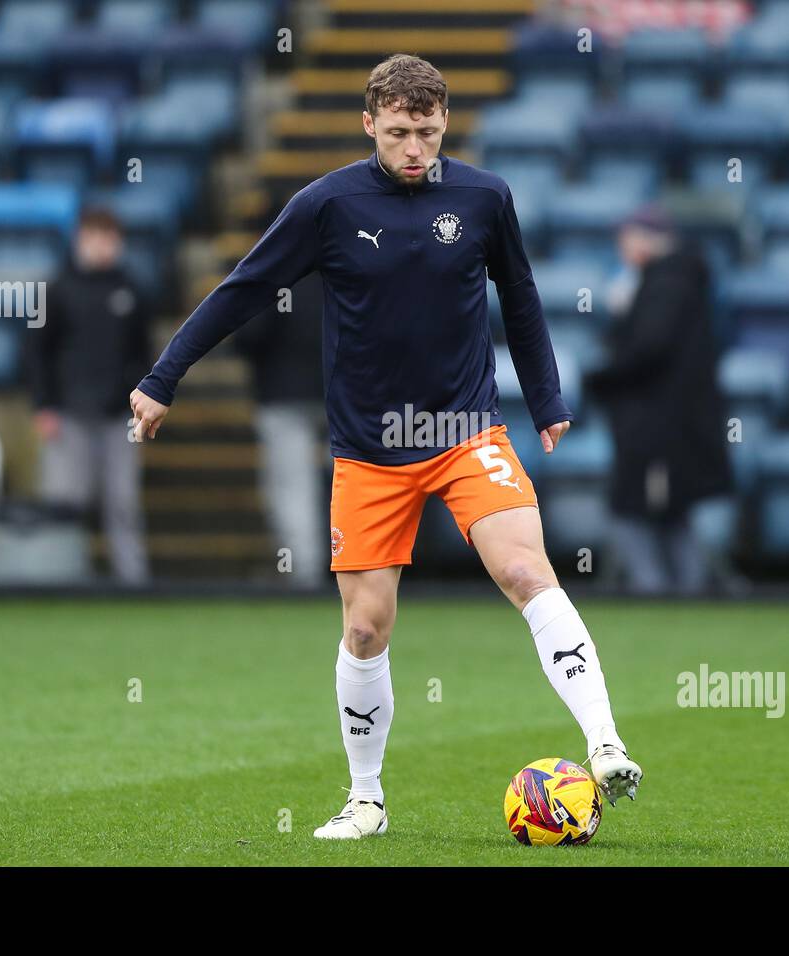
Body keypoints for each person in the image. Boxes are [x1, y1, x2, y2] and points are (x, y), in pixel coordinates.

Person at [129, 54, 641, 838]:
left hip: (465, 431)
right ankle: (366, 799)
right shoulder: (326, 205)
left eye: (427, 133)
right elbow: (244, 288)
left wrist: (545, 397)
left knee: (523, 569)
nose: (414, 149)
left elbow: (521, 295)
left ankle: (604, 744)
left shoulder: (484, 197)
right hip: (369, 449)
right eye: (399, 132)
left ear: (445, 124)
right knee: (365, 628)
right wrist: (164, 376)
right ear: (369, 123)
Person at [583, 206, 732, 595]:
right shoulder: (679, 279)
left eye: (627, 238)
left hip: (659, 427)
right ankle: (680, 592)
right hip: (671, 423)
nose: (622, 247)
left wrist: (599, 378)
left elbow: (648, 348)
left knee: (635, 509)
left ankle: (654, 590)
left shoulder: (666, 282)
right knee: (671, 514)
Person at [27, 206, 151, 585]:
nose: (101, 246)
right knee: (65, 502)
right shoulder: (56, 289)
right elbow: (36, 352)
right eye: (94, 237)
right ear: (80, 240)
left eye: (108, 238)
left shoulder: (131, 289)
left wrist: (140, 403)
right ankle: (60, 578)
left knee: (123, 503)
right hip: (69, 414)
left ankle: (132, 582)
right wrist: (44, 406)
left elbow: (142, 353)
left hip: (119, 416)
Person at [231, 271, 329, 591]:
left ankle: (305, 575)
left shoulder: (275, 274)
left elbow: (248, 335)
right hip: (343, 395)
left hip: (284, 395)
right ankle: (362, 565)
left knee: (292, 487)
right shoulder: (345, 261)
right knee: (355, 481)